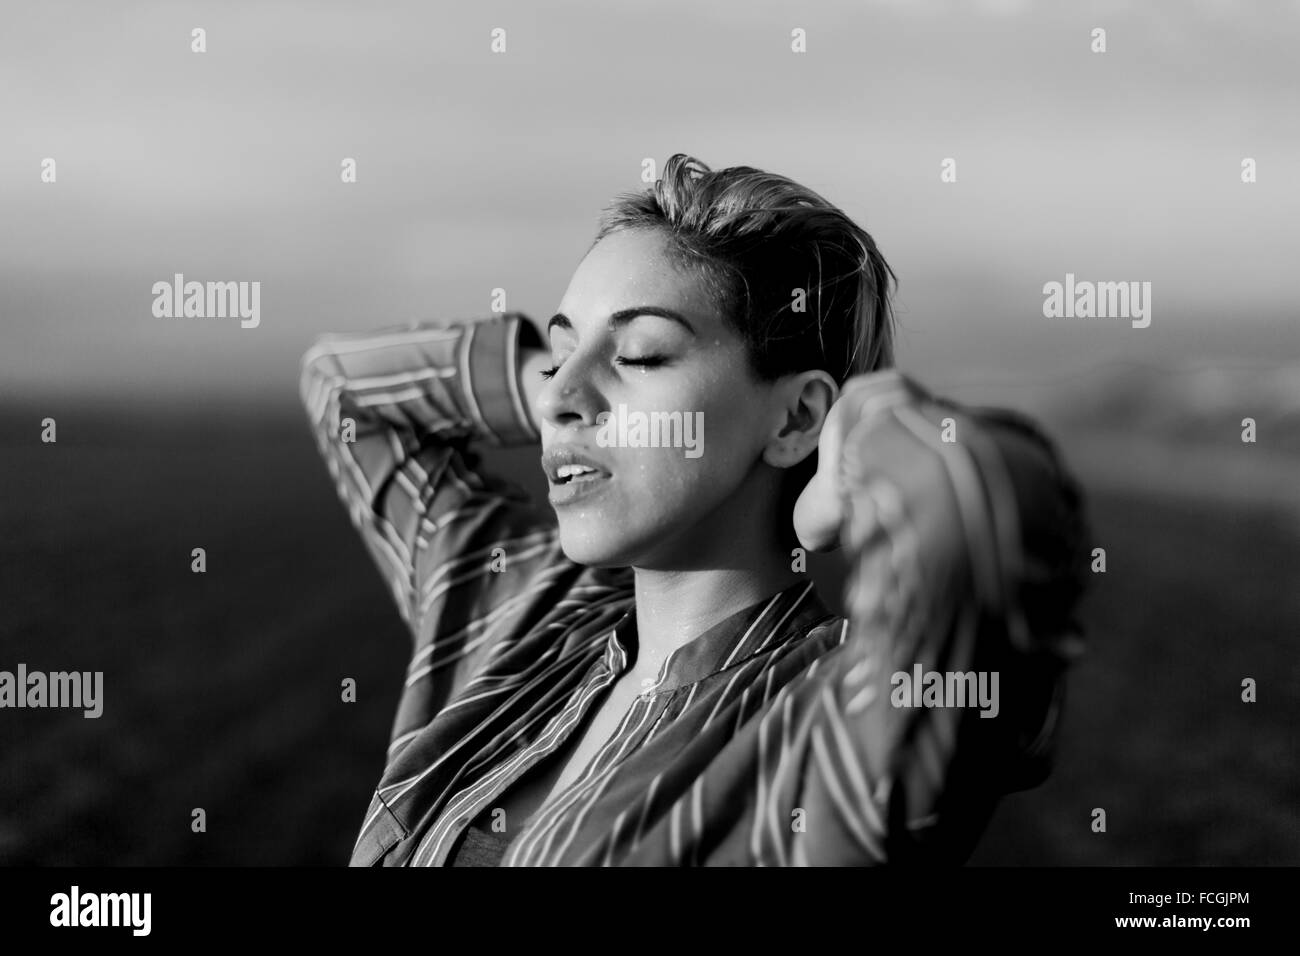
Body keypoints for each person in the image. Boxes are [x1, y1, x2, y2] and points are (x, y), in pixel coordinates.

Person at [298, 154, 1090, 866]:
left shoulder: (831, 723)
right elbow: (344, 390)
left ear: (794, 418)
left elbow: (978, 498)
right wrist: (561, 376)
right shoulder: (523, 614)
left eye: (640, 354)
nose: (561, 403)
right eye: (562, 354)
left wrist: (843, 466)